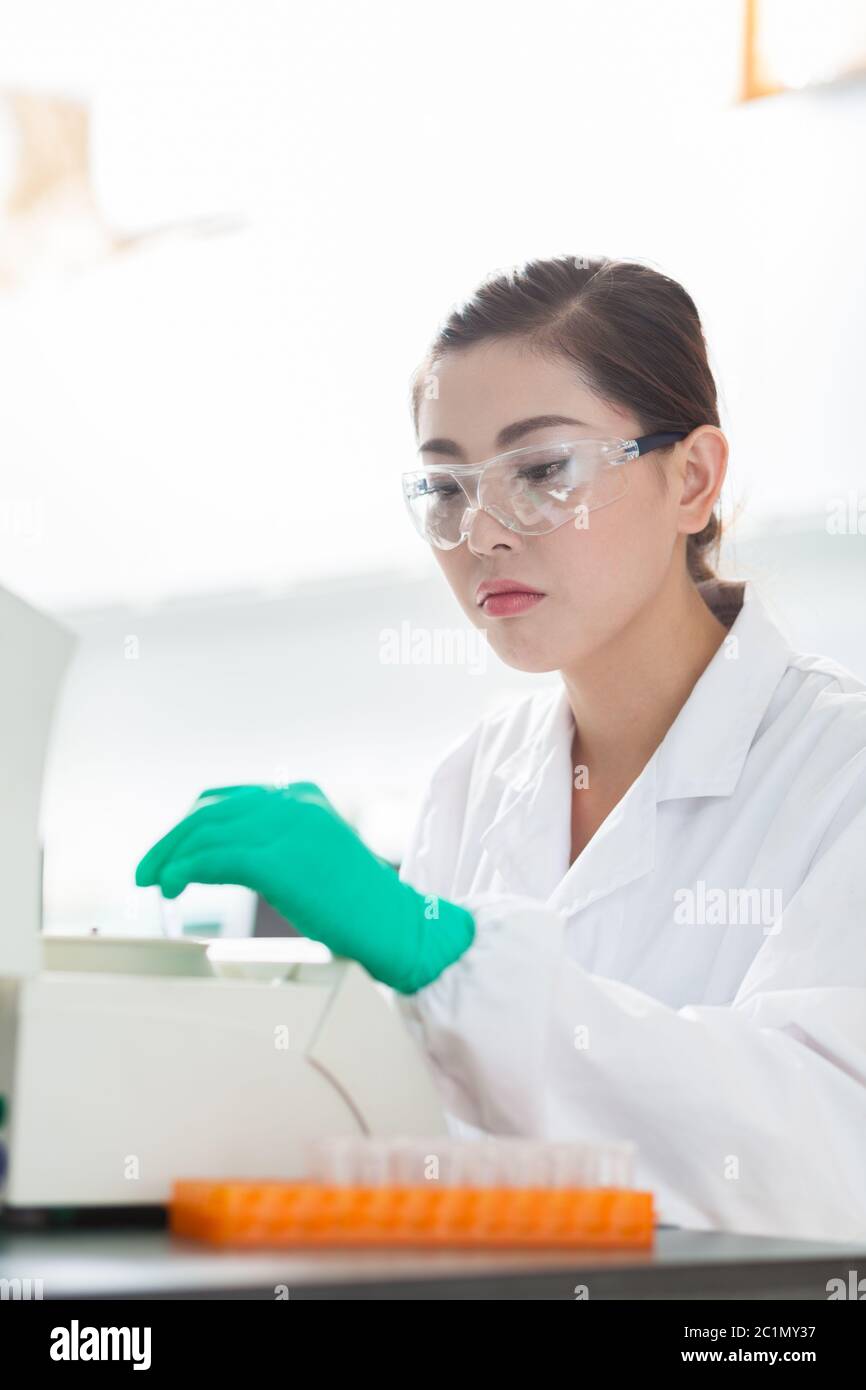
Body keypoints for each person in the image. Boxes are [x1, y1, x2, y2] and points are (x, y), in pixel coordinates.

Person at [136, 255, 866, 1242]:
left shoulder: (837, 769)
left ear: (690, 479)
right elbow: (421, 1141)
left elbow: (828, 1151)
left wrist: (454, 959)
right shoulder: (474, 779)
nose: (479, 531)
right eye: (444, 486)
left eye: (540, 470)